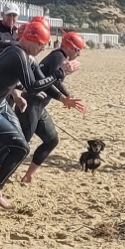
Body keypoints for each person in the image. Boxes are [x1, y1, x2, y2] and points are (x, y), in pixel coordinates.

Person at [0, 17, 82, 207]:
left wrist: (62, 98)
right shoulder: (18, 54)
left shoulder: (27, 57)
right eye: (42, 44)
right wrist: (60, 73)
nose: (44, 48)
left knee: (21, 147)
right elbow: (33, 87)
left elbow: (43, 81)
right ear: (31, 40)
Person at [19, 30, 86, 183]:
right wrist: (67, 97)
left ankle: (29, 175)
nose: (79, 54)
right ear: (68, 47)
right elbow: (55, 80)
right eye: (77, 50)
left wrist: (67, 97)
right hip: (31, 105)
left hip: (38, 107)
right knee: (19, 145)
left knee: (51, 140)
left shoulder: (60, 57)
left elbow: (53, 80)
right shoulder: (58, 57)